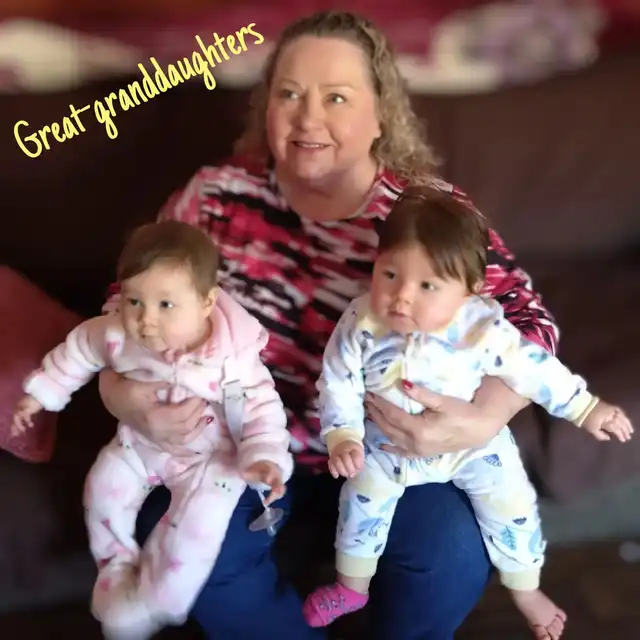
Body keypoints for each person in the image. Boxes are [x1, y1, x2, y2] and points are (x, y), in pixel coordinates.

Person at [98, 10, 565, 640]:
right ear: (266, 107)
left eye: (336, 97)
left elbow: (531, 322)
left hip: (395, 447)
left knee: (451, 555)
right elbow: (121, 308)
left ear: (381, 115)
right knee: (191, 559)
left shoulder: (428, 213)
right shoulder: (214, 197)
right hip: (240, 444)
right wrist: (121, 394)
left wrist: (484, 416)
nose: (307, 118)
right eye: (289, 94)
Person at [303, 187, 633, 639]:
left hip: (474, 447)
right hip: (385, 445)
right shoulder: (362, 321)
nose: (401, 297)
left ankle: (526, 589)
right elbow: (338, 378)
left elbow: (534, 369)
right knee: (361, 501)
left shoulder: (482, 328)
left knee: (511, 503)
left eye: (427, 286)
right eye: (390, 274)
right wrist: (342, 435)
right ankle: (351, 587)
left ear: (469, 290)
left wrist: (586, 408)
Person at [12, 221, 292, 640]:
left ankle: (155, 602)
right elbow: (77, 351)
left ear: (206, 303)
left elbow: (263, 410)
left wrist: (264, 457)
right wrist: (41, 394)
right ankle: (115, 569)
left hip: (210, 459)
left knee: (195, 532)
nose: (145, 321)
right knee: (101, 491)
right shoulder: (115, 333)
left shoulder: (233, 358)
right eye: (134, 301)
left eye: (165, 305)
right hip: (138, 444)